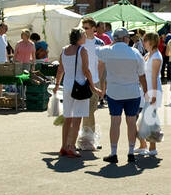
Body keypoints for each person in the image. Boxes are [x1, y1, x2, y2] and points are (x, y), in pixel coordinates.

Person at [98, 28, 150, 164]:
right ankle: (131, 152)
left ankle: (114, 153)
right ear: (126, 38)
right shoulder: (135, 53)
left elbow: (97, 54)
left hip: (114, 92)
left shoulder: (107, 51)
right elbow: (142, 76)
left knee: (115, 122)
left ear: (115, 38)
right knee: (131, 122)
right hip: (132, 92)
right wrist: (146, 91)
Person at [56, 28, 97, 159]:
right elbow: (86, 70)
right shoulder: (82, 50)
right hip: (79, 86)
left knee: (67, 117)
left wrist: (57, 84)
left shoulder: (64, 50)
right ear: (79, 37)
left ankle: (64, 146)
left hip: (67, 85)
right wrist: (93, 86)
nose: (85, 36)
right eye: (84, 35)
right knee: (77, 118)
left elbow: (60, 69)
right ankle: (71, 147)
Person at [78, 18, 102, 150]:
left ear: (94, 28)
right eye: (83, 27)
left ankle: (86, 139)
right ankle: (87, 140)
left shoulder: (100, 43)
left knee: (91, 110)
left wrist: (103, 84)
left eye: (86, 28)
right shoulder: (80, 43)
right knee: (86, 111)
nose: (84, 30)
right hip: (82, 80)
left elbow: (102, 65)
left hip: (96, 80)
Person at [140, 31, 165, 158]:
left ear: (151, 41)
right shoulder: (149, 55)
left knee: (150, 119)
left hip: (153, 90)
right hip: (148, 90)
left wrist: (154, 94)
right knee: (148, 119)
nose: (143, 42)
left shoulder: (155, 57)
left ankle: (152, 147)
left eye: (145, 40)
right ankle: (145, 145)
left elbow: (155, 77)